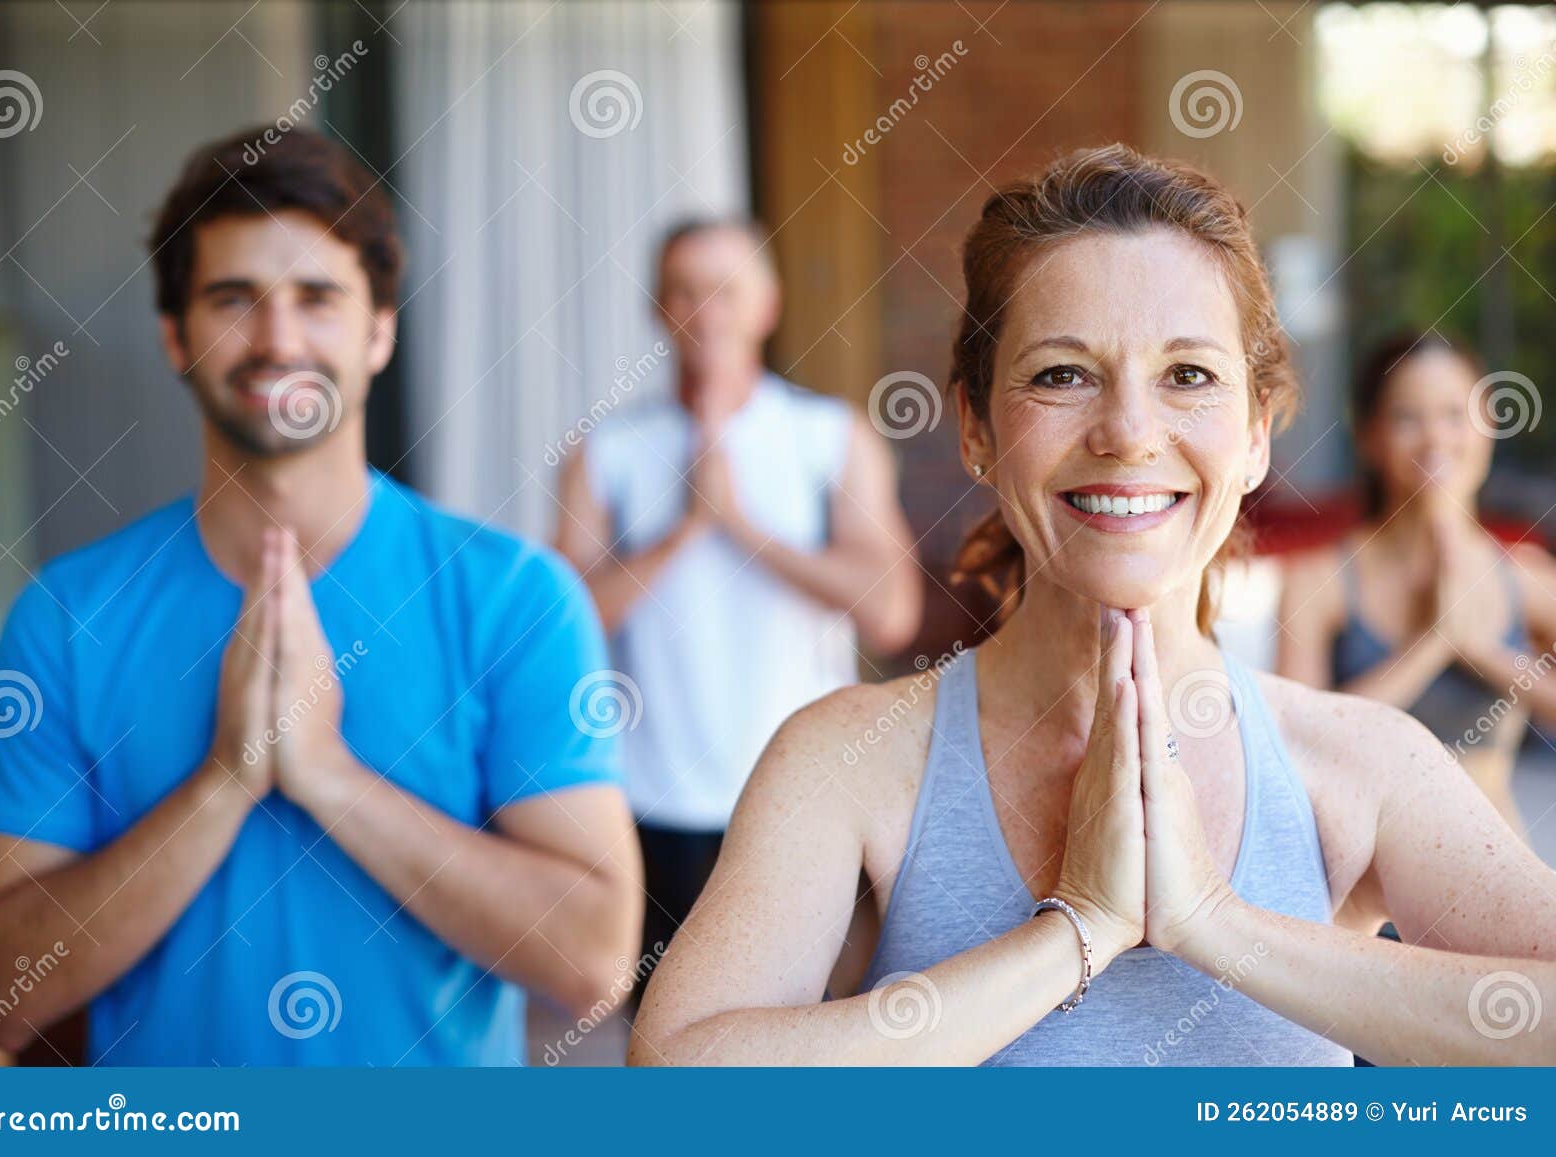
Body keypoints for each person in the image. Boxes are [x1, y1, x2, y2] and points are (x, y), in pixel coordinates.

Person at [627, 145, 1556, 1066]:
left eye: (1188, 375)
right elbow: (675, 1083)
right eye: (1063, 374)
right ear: (978, 430)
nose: (1128, 433)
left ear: (1257, 436)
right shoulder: (850, 759)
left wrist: (1214, 925)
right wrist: (1075, 932)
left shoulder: (1363, 761)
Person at [0, 127, 642, 1066]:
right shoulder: (67, 616)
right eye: (233, 299)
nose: (277, 338)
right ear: (175, 337)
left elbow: (593, 958)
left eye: (317, 297)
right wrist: (226, 779)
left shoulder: (516, 599)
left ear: (379, 330)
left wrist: (328, 775)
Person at [553, 219, 921, 986]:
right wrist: (685, 526)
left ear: (767, 304)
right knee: (669, 1034)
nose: (706, 310)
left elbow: (891, 612)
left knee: (800, 1028)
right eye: (686, 290)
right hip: (655, 804)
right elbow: (560, 629)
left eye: (726, 289)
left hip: (799, 795)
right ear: (659, 308)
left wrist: (743, 528)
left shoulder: (828, 436)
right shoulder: (608, 448)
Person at [1277, 332, 1556, 849]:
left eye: (1455, 414)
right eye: (1408, 418)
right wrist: (1432, 641)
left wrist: (1484, 650)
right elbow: (1299, 745)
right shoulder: (1318, 580)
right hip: (1362, 894)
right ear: (1368, 436)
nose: (1435, 439)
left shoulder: (1526, 576)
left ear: (1490, 425)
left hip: (1498, 869)